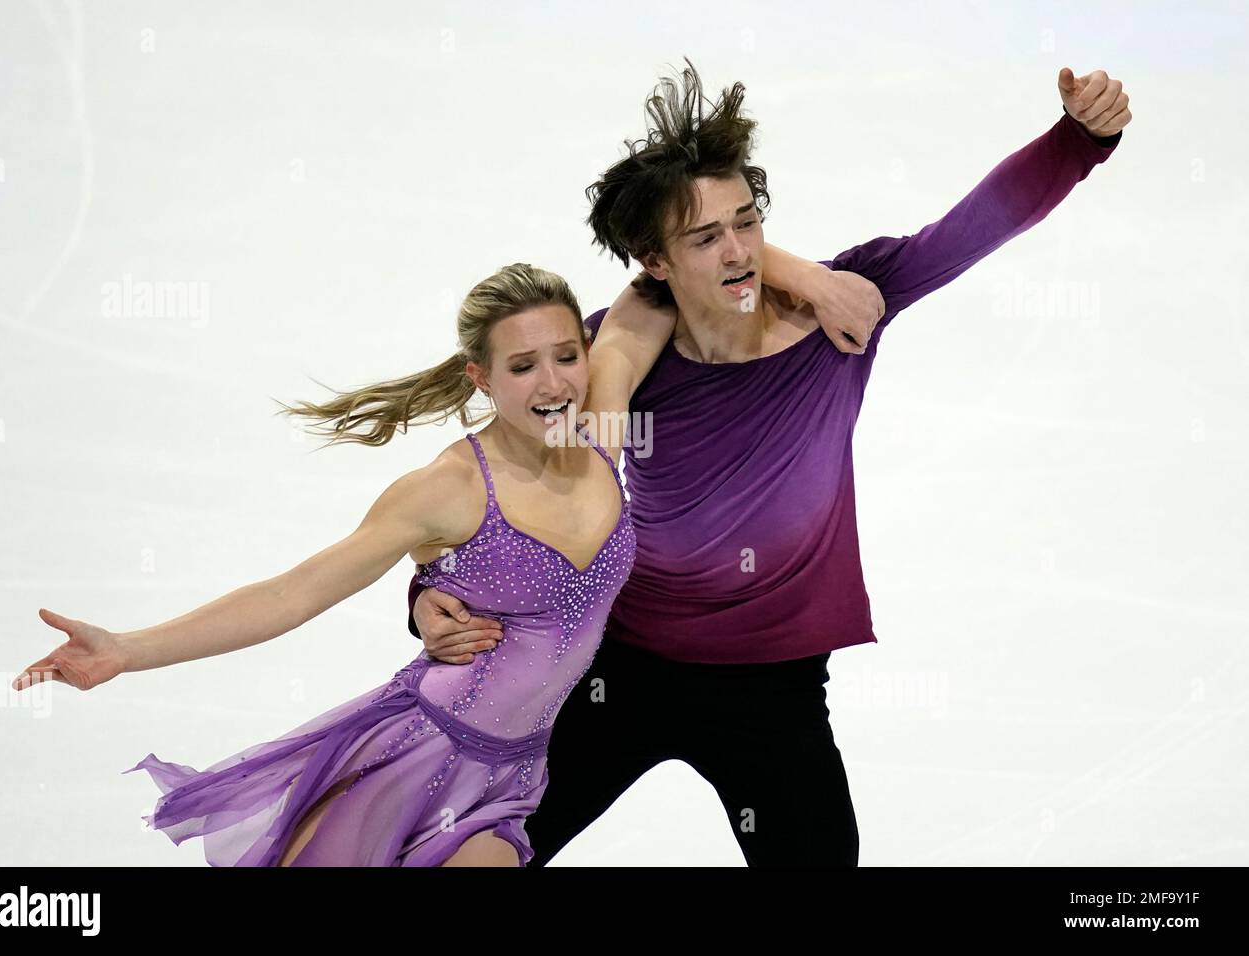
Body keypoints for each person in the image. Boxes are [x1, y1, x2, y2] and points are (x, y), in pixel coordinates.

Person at [407, 61, 1131, 866]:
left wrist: (1081, 139)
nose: (738, 253)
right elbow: (508, 480)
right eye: (705, 238)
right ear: (655, 263)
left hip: (773, 683)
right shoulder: (617, 346)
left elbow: (972, 228)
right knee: (475, 848)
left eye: (748, 224)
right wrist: (431, 587)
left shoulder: (844, 309)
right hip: (618, 661)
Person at [11, 262, 682, 866]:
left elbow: (667, 274)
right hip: (410, 755)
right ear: (480, 377)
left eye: (567, 356)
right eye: (523, 366)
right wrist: (128, 649)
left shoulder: (600, 433)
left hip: (511, 780)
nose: (554, 382)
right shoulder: (449, 489)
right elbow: (292, 595)